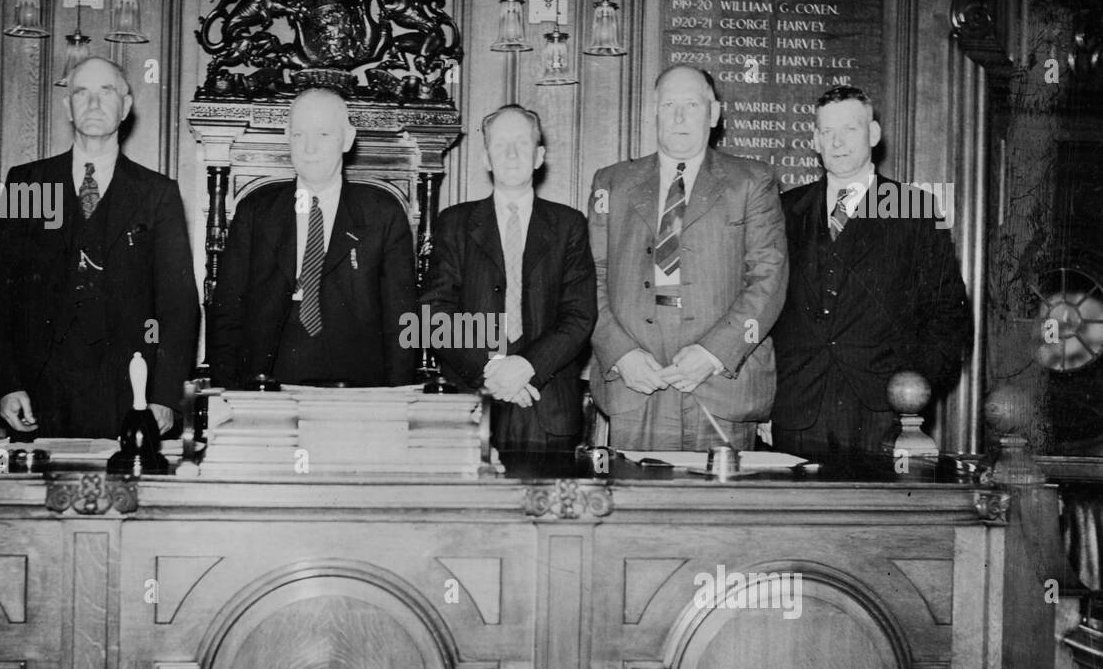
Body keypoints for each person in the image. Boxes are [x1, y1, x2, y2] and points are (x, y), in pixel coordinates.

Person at [0, 56, 198, 439]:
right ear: (67, 106)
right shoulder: (28, 183)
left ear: (126, 107)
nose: (93, 104)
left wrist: (164, 395)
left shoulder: (156, 193)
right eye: (81, 93)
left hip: (128, 390)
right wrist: (6, 384)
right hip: (37, 390)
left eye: (106, 92)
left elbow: (177, 304)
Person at [587, 65, 788, 450]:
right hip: (635, 386)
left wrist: (714, 353)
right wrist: (620, 354)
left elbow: (769, 278)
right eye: (669, 105)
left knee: (717, 509)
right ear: (655, 111)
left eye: (692, 105)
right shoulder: (611, 182)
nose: (679, 116)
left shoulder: (752, 181)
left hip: (720, 385)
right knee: (636, 506)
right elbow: (589, 277)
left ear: (713, 114)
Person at [770, 85, 970, 457]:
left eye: (850, 129)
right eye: (827, 132)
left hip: (883, 411)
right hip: (798, 409)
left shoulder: (914, 208)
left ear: (874, 135)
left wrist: (913, 387)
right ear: (814, 140)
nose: (838, 142)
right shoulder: (786, 209)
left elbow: (948, 314)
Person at [207, 87, 417, 387]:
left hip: (357, 388)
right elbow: (227, 313)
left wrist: (397, 401)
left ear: (347, 139)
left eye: (323, 135)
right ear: (286, 136)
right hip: (266, 384)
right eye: (299, 135)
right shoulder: (256, 210)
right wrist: (225, 394)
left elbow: (401, 320)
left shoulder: (382, 213)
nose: (309, 149)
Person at [420, 104, 596, 455]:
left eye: (521, 143)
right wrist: (494, 368)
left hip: (547, 407)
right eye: (500, 144)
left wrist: (528, 366)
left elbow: (579, 315)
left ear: (539, 156)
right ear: (486, 157)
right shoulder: (454, 222)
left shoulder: (569, 225)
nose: (512, 153)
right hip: (473, 403)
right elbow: (432, 315)